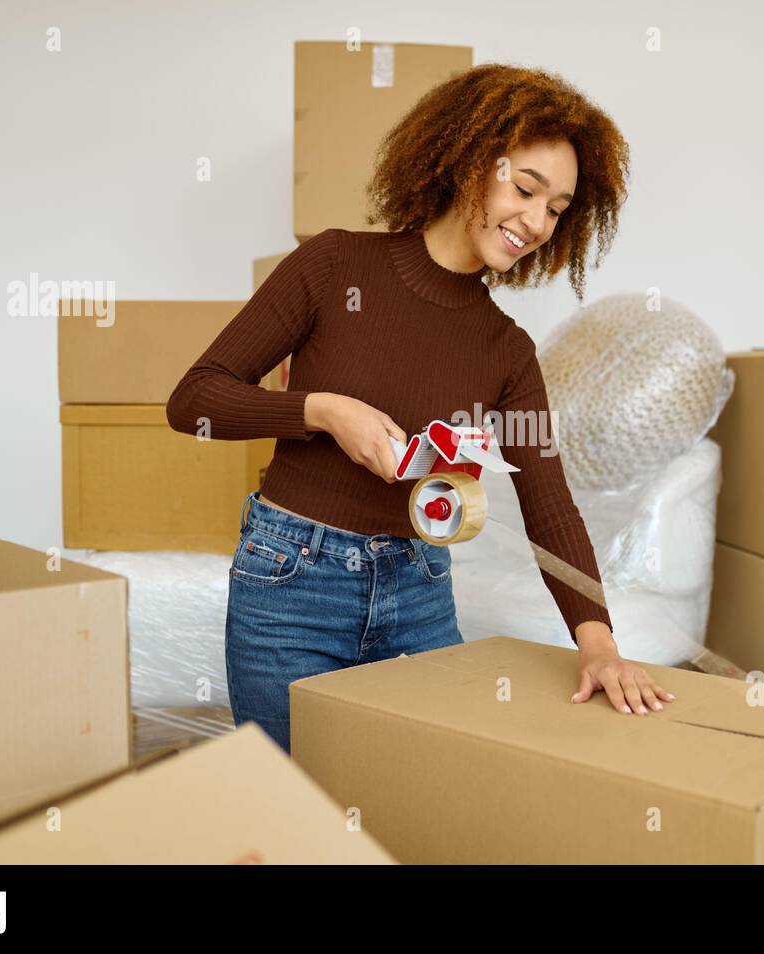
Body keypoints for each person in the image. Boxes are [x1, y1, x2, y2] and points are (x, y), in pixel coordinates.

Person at [166, 63, 674, 755]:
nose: (535, 221)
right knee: (290, 809)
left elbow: (550, 506)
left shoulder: (506, 350)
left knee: (422, 810)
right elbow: (195, 399)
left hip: (417, 591)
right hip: (290, 587)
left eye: (556, 209)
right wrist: (319, 410)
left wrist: (599, 643)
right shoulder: (333, 266)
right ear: (466, 162)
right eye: (525, 188)